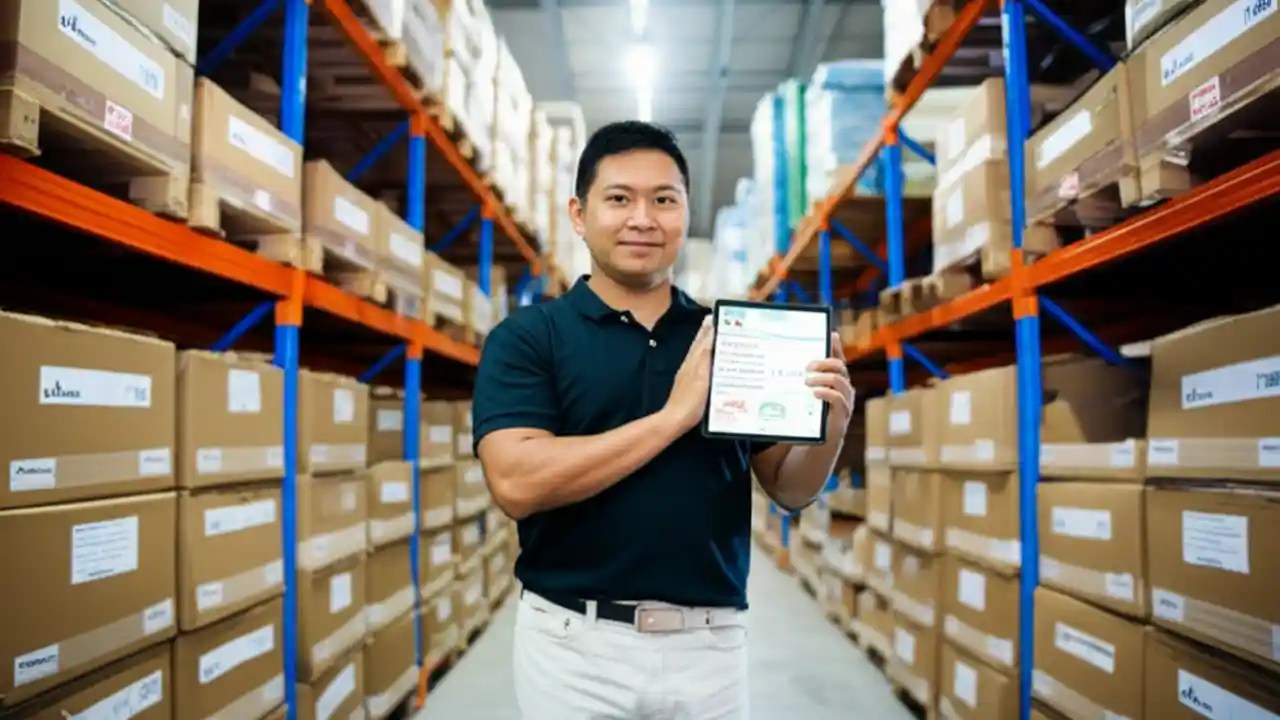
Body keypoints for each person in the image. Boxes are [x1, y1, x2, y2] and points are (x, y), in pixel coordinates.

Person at [472, 120, 855, 719]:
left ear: (685, 212)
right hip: (573, 645)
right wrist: (674, 417)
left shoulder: (728, 337)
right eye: (619, 199)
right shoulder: (529, 338)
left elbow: (791, 487)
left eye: (664, 200)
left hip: (711, 646)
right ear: (579, 214)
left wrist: (831, 422)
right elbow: (517, 483)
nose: (643, 219)